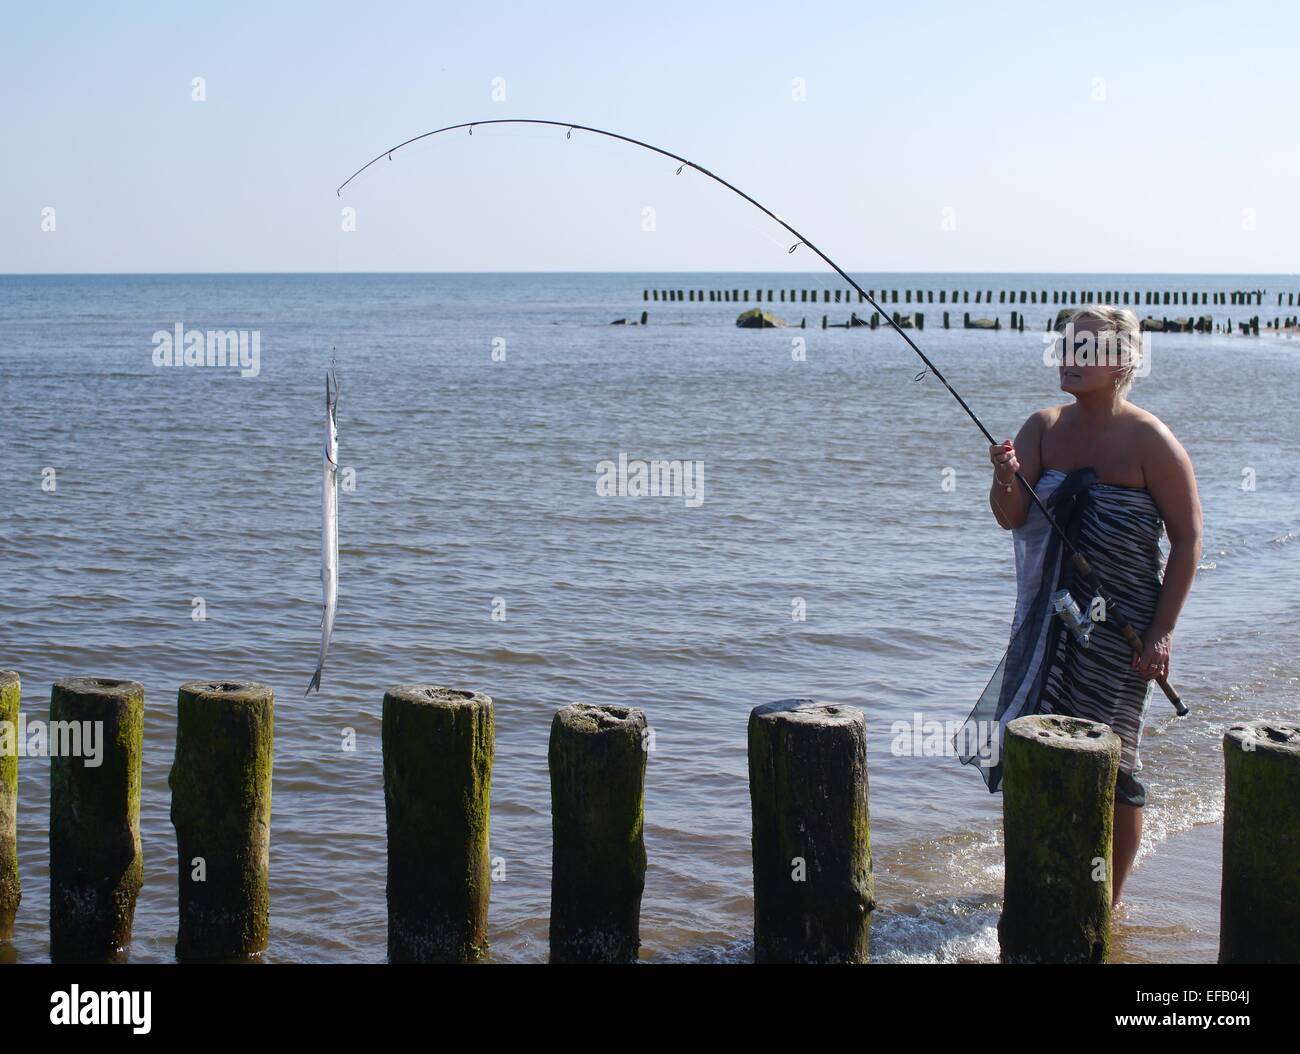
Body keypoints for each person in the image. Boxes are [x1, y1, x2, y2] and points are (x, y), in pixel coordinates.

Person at [958, 305, 1202, 906]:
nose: (1071, 359)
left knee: (1115, 761)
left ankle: (1105, 905)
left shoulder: (1152, 441)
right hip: (1049, 622)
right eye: (1066, 347)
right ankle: (1036, 891)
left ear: (1124, 363)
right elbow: (1011, 518)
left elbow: (1189, 540)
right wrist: (1004, 477)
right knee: (1030, 744)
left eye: (1088, 350)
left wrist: (1162, 634)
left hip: (1122, 634)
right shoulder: (1043, 428)